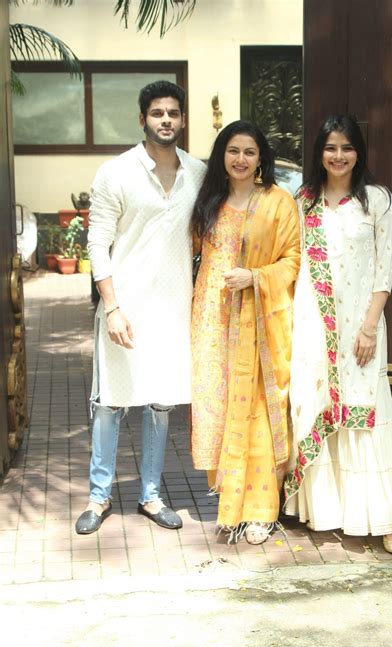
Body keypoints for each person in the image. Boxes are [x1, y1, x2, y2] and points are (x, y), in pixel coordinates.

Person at [285, 115, 392, 554]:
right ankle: (327, 513)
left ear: (358, 152)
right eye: (331, 147)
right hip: (313, 324)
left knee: (366, 411)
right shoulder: (303, 200)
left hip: (361, 328)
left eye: (347, 147)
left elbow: (384, 271)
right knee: (320, 404)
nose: (339, 156)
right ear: (319, 152)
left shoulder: (378, 201)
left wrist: (369, 327)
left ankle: (388, 519)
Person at [75, 80, 206, 535]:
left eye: (173, 112)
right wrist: (111, 306)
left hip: (174, 309)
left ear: (182, 119)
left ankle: (150, 495)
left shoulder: (199, 172)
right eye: (157, 113)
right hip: (125, 308)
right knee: (110, 404)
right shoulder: (116, 172)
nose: (166, 119)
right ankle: (99, 495)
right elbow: (97, 242)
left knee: (160, 402)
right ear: (142, 119)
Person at [191, 120, 301, 545]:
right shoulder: (209, 200)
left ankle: (258, 511)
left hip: (258, 320)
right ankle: (230, 502)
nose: (240, 159)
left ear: (261, 158)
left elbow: (292, 261)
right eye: (233, 150)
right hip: (211, 323)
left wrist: (254, 276)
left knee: (255, 407)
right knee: (220, 407)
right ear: (222, 155)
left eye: (249, 152)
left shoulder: (277, 202)